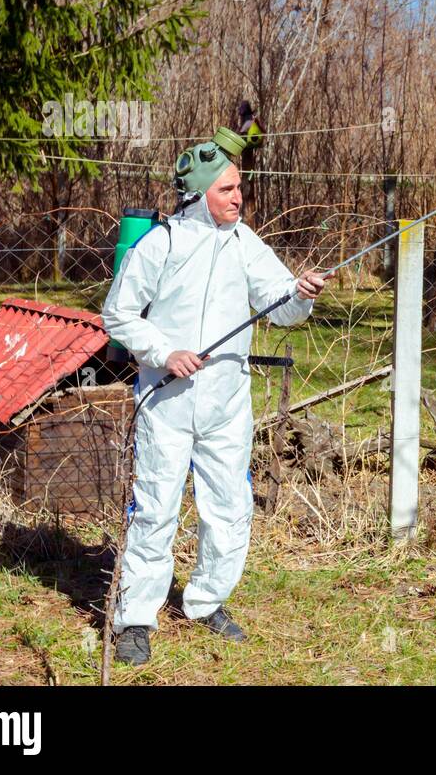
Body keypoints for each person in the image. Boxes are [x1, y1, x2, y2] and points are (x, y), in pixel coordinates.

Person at [102, 127, 329, 666]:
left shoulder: (244, 244)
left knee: (228, 507)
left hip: (228, 405)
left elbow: (282, 309)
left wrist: (301, 292)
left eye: (239, 188)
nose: (238, 198)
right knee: (155, 507)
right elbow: (118, 314)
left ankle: (206, 602)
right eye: (227, 189)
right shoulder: (162, 244)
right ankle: (135, 619)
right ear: (200, 194)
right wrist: (164, 352)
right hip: (167, 401)